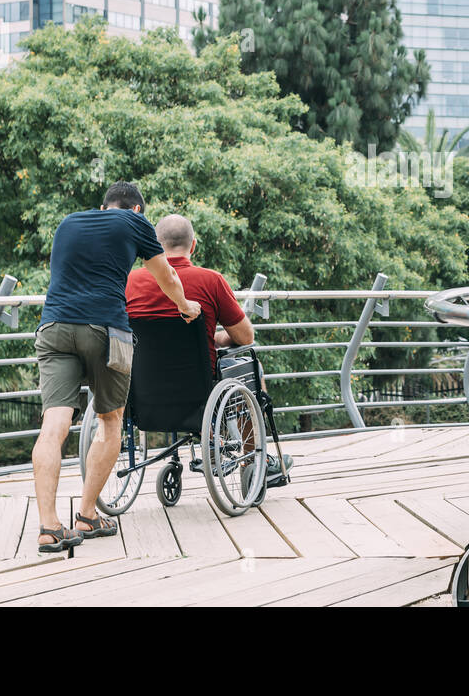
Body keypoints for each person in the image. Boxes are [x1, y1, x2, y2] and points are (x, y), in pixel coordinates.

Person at [32, 182, 201, 553]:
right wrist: (186, 306)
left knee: (54, 426)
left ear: (103, 205)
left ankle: (48, 526)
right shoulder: (135, 222)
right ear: (137, 210)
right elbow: (168, 278)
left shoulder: (68, 223)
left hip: (54, 328)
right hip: (106, 331)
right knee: (111, 421)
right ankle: (88, 515)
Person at [125, 214, 292, 475]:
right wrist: (215, 337)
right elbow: (246, 338)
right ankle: (254, 458)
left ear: (154, 245)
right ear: (193, 246)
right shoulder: (210, 280)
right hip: (199, 386)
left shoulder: (129, 282)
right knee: (251, 367)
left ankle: (214, 441)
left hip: (144, 387)